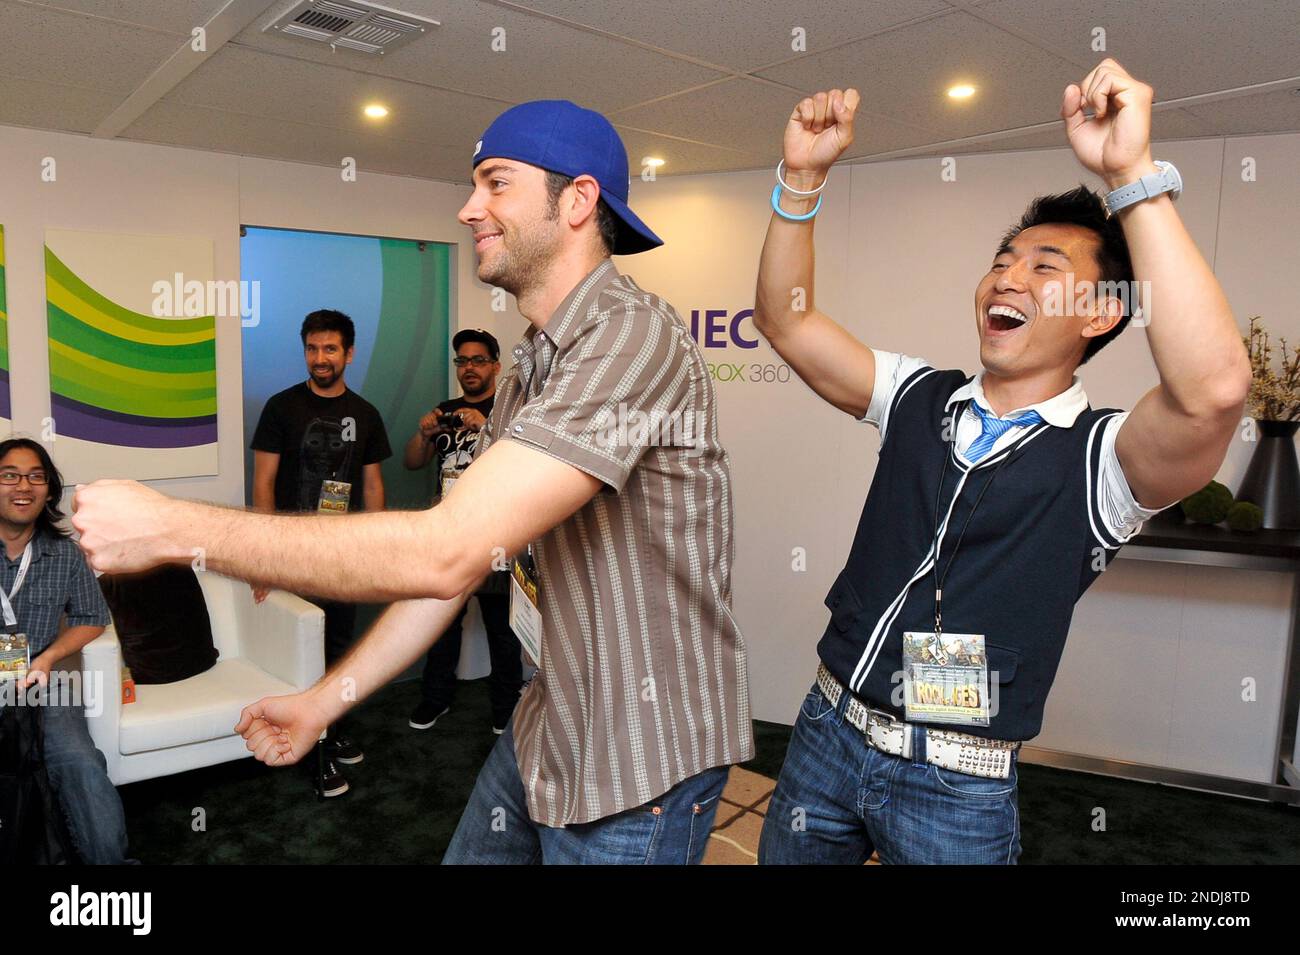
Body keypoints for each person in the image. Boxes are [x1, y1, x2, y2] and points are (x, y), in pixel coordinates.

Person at [72, 99, 751, 865]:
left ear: (579, 201)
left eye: (496, 183)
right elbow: (452, 573)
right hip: (554, 717)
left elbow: (442, 551)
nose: (469, 209)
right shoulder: (531, 364)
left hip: (640, 758)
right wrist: (322, 702)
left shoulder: (631, 338)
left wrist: (173, 529)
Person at [752, 61, 1251, 864]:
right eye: (1003, 258)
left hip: (954, 787)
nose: (1005, 277)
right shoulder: (918, 395)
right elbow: (784, 319)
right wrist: (801, 181)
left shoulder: (1104, 462)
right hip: (825, 732)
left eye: (1044, 267)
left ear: (1100, 312)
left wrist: (1130, 177)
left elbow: (1214, 391)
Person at [248, 309, 393, 797]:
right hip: (291, 555)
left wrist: (374, 546)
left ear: (348, 353)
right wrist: (264, 557)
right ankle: (317, 755)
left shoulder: (366, 414)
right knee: (304, 652)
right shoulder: (280, 408)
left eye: (330, 349)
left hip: (343, 557)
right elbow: (263, 484)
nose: (320, 358)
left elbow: (373, 486)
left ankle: (332, 727)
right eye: (312, 348)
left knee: (338, 652)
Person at [0, 437, 127, 863]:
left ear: (49, 490)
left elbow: (93, 618)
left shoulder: (64, 555)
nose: (24, 486)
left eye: (36, 477)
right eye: (10, 476)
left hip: (43, 682)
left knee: (80, 761)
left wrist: (48, 658)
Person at [402, 328, 522, 734]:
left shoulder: (509, 409)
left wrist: (487, 425)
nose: (469, 368)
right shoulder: (444, 408)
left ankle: (506, 708)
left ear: (495, 366)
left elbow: (523, 463)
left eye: (478, 360)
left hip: (495, 535)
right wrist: (423, 435)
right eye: (462, 361)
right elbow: (413, 463)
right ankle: (436, 698)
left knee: (502, 628)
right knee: (441, 621)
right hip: (447, 534)